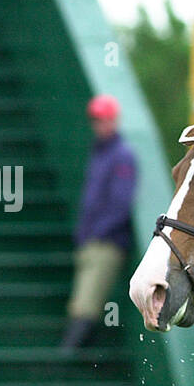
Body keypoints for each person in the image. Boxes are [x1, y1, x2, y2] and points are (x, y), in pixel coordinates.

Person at [61, 95, 137, 352]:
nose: (99, 125)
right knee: (83, 302)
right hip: (92, 239)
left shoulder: (121, 155)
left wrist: (97, 232)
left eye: (104, 119)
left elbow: (120, 203)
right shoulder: (101, 152)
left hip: (106, 242)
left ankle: (68, 358)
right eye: (96, 119)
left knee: (86, 304)